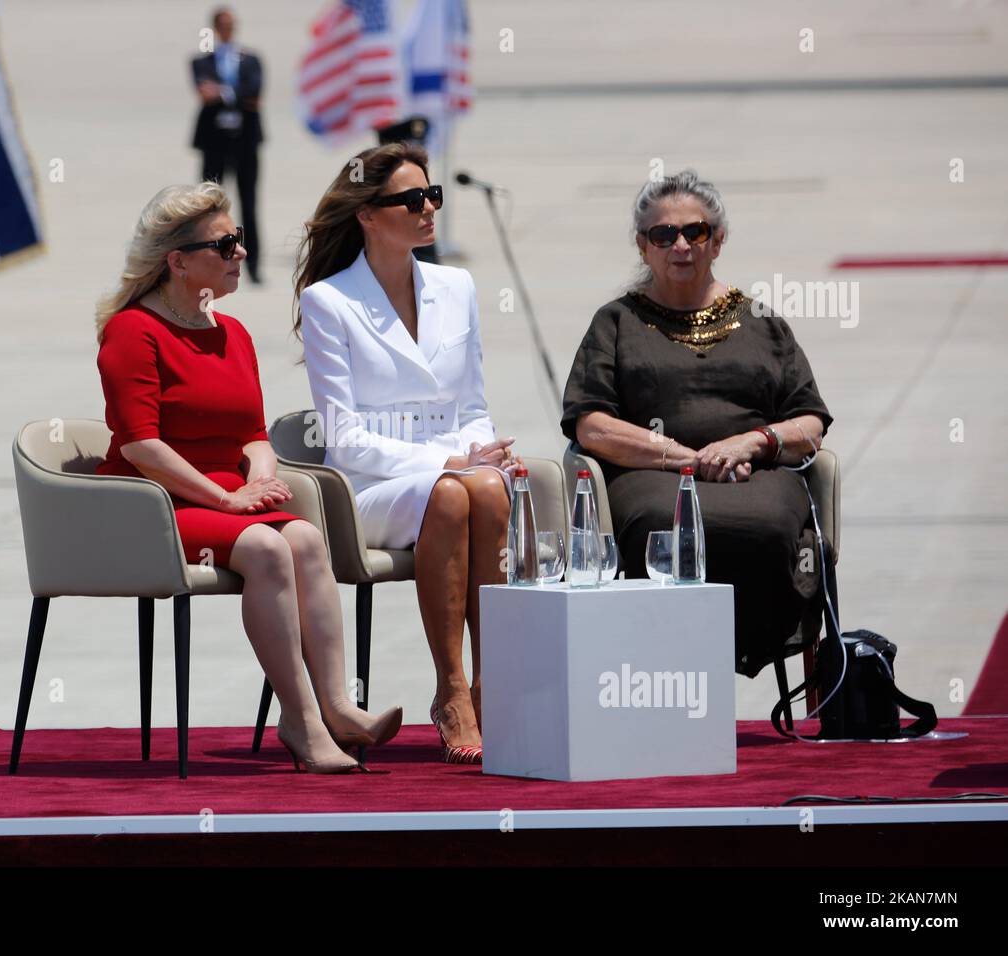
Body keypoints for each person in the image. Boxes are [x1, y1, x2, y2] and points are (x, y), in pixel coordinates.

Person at [94, 182, 402, 773]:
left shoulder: (230, 331)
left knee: (307, 539)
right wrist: (226, 498)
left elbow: (253, 434)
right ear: (177, 261)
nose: (241, 252)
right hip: (157, 504)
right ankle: (302, 720)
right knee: (264, 545)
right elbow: (141, 446)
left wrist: (259, 477)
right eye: (226, 243)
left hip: (224, 497)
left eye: (240, 239)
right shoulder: (133, 332)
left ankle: (338, 707)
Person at [294, 143, 522, 764]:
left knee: (488, 488)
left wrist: (483, 453)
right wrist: (447, 465)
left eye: (433, 196)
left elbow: (472, 403)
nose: (428, 209)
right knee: (452, 491)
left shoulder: (457, 286)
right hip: (370, 489)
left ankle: (490, 681)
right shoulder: (328, 302)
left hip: (454, 474)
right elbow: (345, 439)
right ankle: (451, 687)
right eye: (410, 200)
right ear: (367, 215)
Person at [561, 169, 833, 677]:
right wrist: (689, 458)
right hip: (653, 477)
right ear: (643, 246)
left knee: (772, 528)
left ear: (719, 240)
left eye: (696, 232)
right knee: (659, 526)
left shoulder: (762, 320)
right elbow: (591, 425)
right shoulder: (615, 322)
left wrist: (753, 442)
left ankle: (749, 646)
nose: (680, 245)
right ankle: (655, 674)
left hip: (755, 474)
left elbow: (810, 421)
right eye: (663, 235)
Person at [191, 7, 263, 283]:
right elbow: (203, 93)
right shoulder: (202, 61)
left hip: (245, 139)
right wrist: (233, 94)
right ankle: (210, 261)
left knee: (249, 202)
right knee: (210, 205)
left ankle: (253, 265)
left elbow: (254, 93)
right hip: (215, 140)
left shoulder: (250, 60)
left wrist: (222, 92)